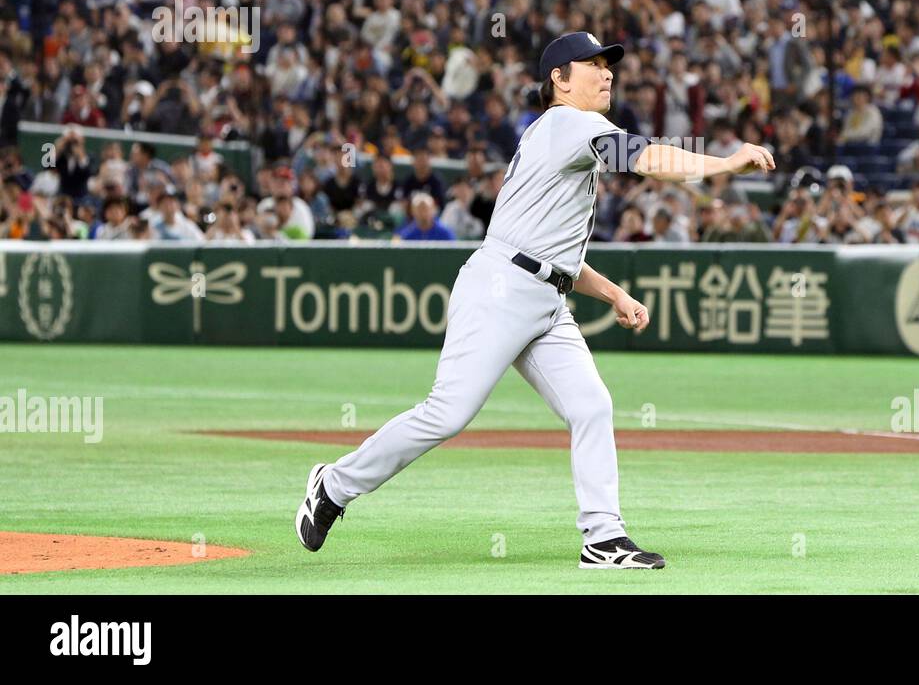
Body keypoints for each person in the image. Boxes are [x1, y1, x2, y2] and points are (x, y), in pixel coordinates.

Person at [295, 32, 775, 569]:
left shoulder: (566, 135)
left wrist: (613, 292)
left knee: (591, 406)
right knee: (446, 414)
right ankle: (334, 484)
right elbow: (643, 158)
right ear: (559, 79)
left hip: (543, 295)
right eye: (592, 64)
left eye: (607, 65)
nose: (607, 73)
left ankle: (603, 537)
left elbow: (554, 255)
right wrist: (725, 162)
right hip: (502, 290)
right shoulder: (571, 123)